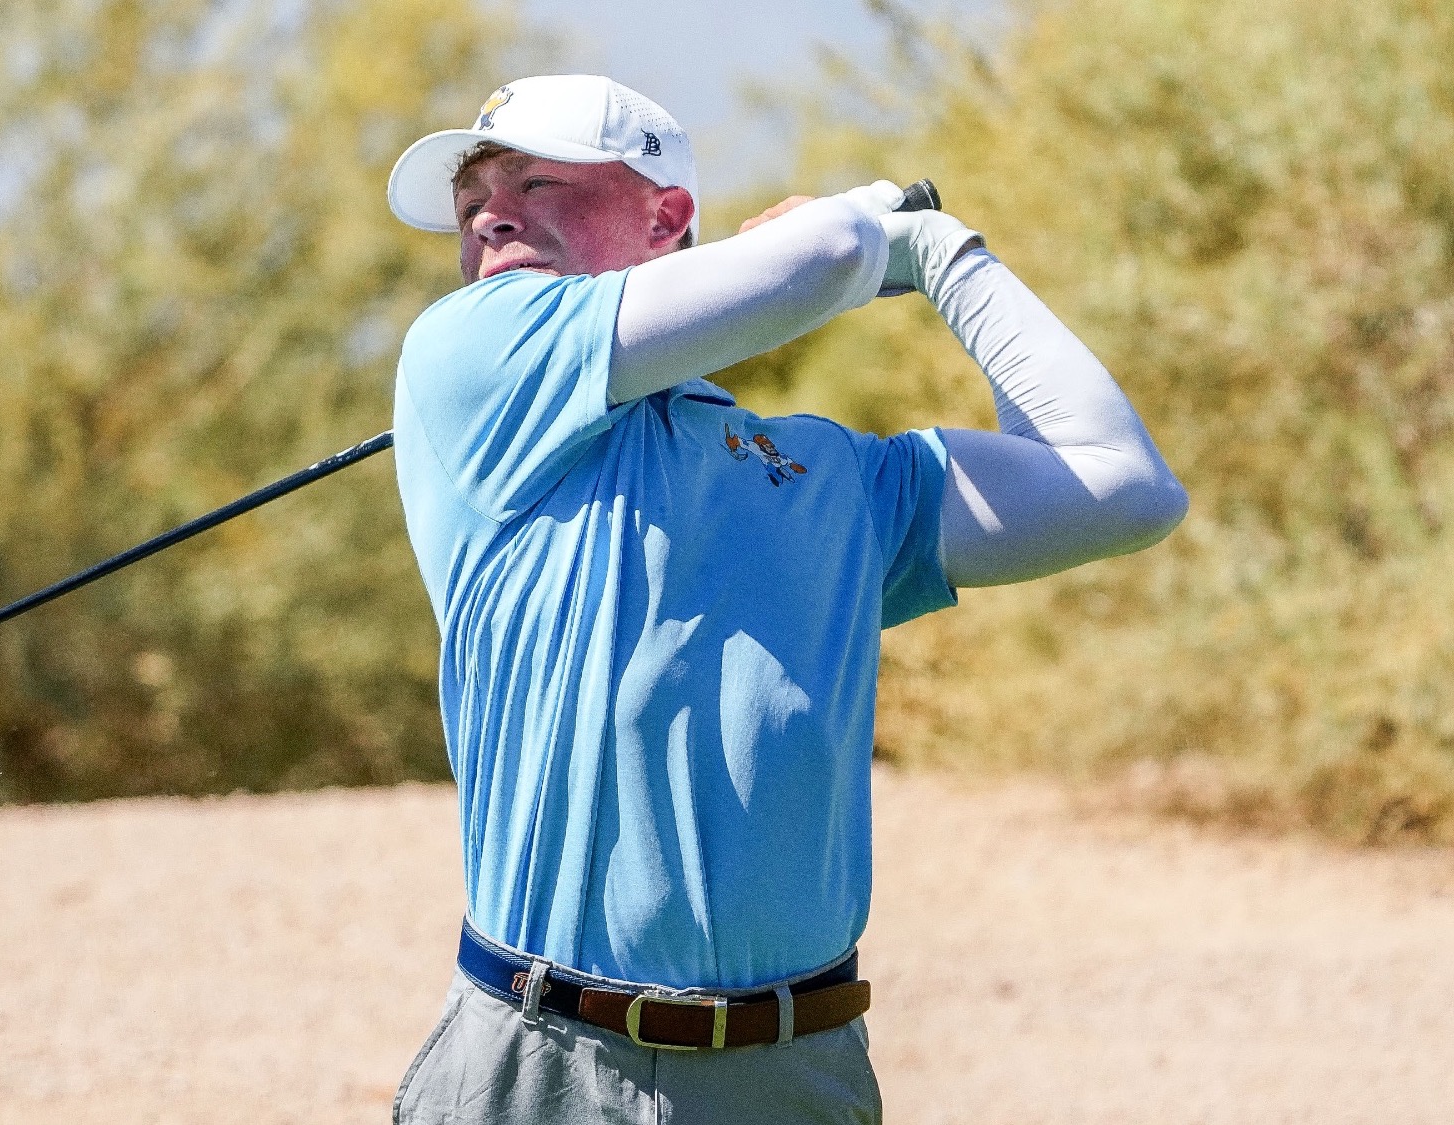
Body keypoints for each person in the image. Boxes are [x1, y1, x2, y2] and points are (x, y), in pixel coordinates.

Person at [382, 74, 1187, 1124]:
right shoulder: (471, 352)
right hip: (540, 1064)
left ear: (665, 216)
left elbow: (1121, 486)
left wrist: (945, 255)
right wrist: (864, 227)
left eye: (533, 181)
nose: (490, 213)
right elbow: (823, 258)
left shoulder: (833, 477)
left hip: (794, 1070)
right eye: (471, 199)